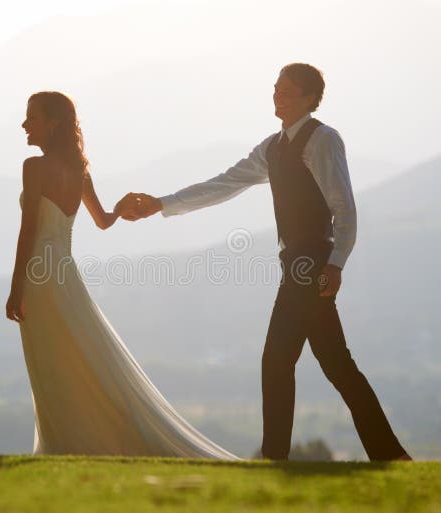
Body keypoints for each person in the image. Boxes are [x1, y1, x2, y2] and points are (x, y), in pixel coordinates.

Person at [115, 63, 412, 462]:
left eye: (286, 91)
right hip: (295, 263)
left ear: (309, 97)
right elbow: (223, 184)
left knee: (278, 359)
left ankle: (276, 458)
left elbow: (344, 207)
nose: (277, 95)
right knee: (337, 366)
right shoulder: (272, 148)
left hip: (311, 262)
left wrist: (336, 263)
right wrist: (161, 204)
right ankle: (389, 455)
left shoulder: (323, 140)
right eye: (275, 89)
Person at [5, 91, 237, 459]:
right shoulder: (80, 171)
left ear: (53, 124)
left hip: (39, 275)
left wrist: (16, 288)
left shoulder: (33, 168)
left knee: (52, 363)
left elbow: (28, 231)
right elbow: (102, 221)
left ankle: (62, 444)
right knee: (76, 358)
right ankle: (73, 442)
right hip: (65, 273)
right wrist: (119, 209)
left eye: (31, 117)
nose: (24, 124)